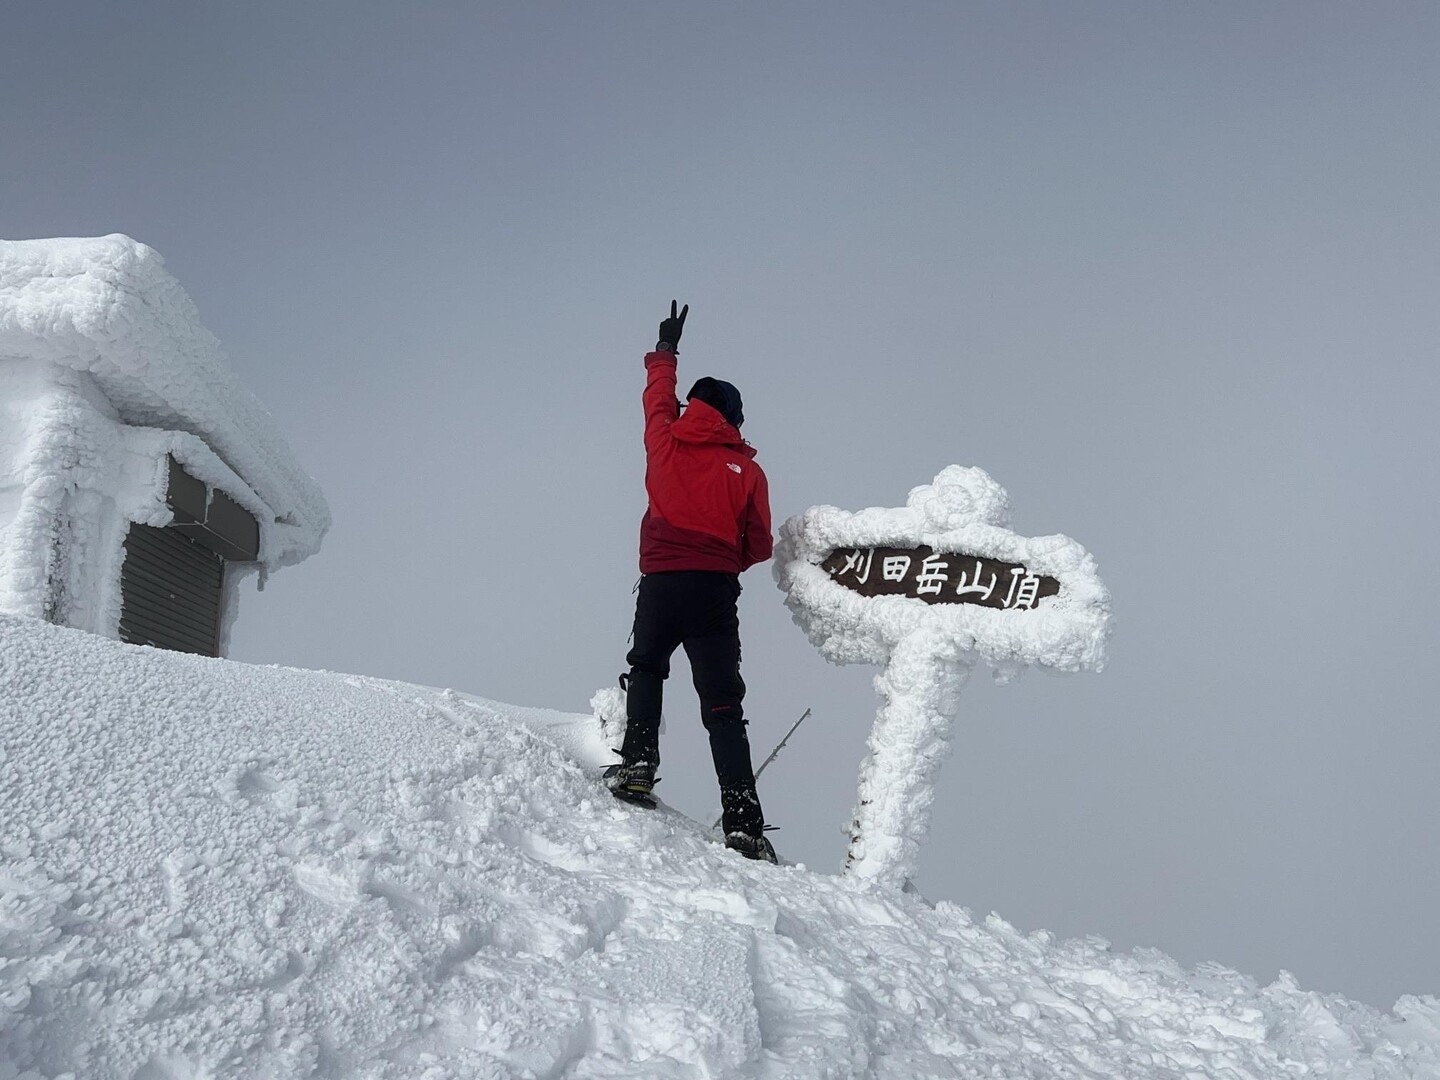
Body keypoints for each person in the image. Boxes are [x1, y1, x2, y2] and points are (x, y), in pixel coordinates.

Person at [604, 301, 777, 863]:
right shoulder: (747, 471)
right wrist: (723, 558)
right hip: (713, 591)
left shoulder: (665, 440)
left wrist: (666, 350)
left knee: (648, 667)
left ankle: (638, 765)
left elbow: (656, 398)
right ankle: (745, 823)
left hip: (660, 583)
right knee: (722, 704)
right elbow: (760, 544)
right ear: (732, 417)